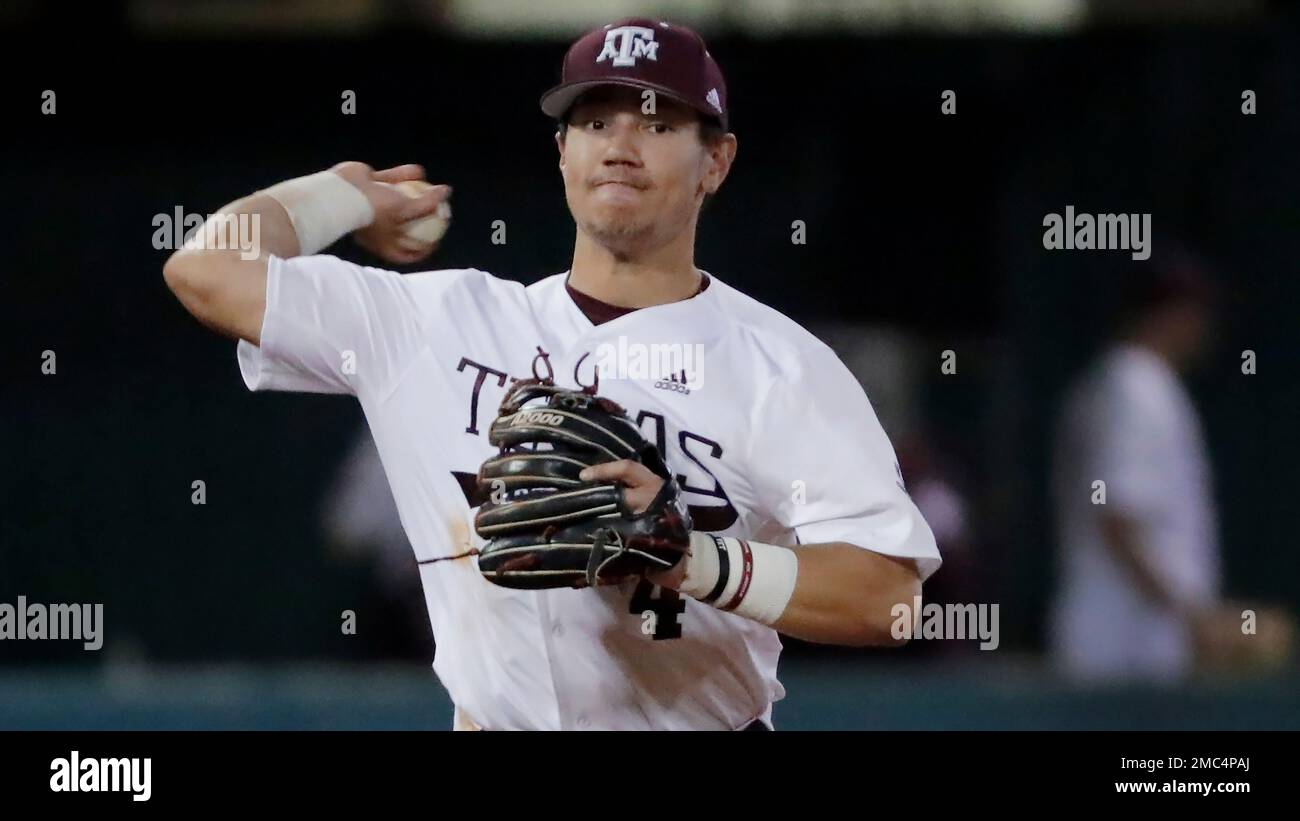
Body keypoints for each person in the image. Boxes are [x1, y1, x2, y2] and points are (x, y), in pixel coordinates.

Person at [163, 17, 940, 730]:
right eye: (595, 121)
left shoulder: (781, 366)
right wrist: (342, 194)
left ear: (718, 161)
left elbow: (889, 598)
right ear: (562, 149)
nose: (619, 145)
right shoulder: (437, 323)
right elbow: (206, 270)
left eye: (657, 122)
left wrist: (691, 559)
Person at [1049, 251, 1222, 683]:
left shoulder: (1117, 382)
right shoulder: (1137, 389)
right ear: (1173, 314)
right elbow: (1117, 518)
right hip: (1124, 648)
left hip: (1125, 643)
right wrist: (1194, 616)